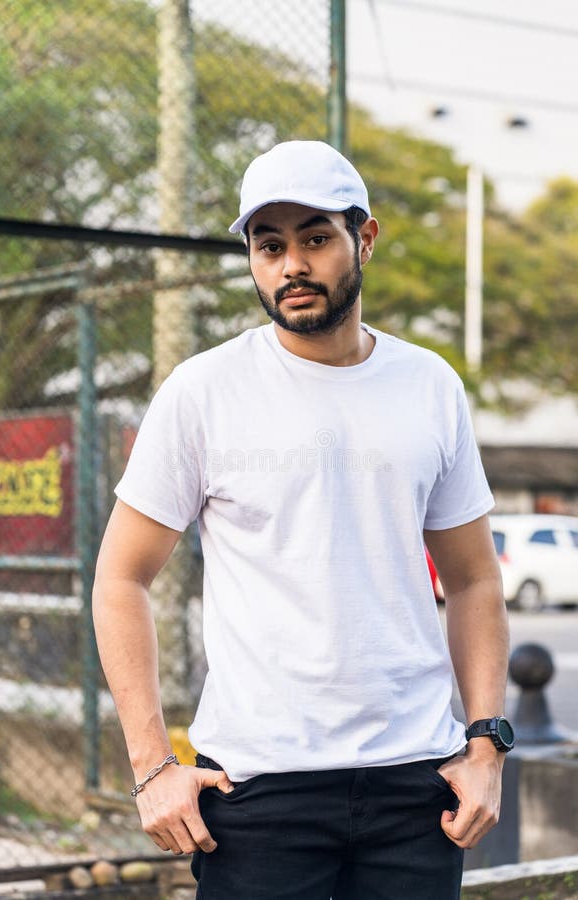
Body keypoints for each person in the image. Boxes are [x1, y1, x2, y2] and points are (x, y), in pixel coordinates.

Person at [93, 140, 512, 900]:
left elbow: (476, 580)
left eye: (315, 238)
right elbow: (121, 578)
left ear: (365, 239)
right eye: (270, 245)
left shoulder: (429, 386)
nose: (292, 266)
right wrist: (153, 766)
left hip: (416, 788)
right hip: (257, 792)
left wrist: (486, 745)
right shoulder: (204, 392)